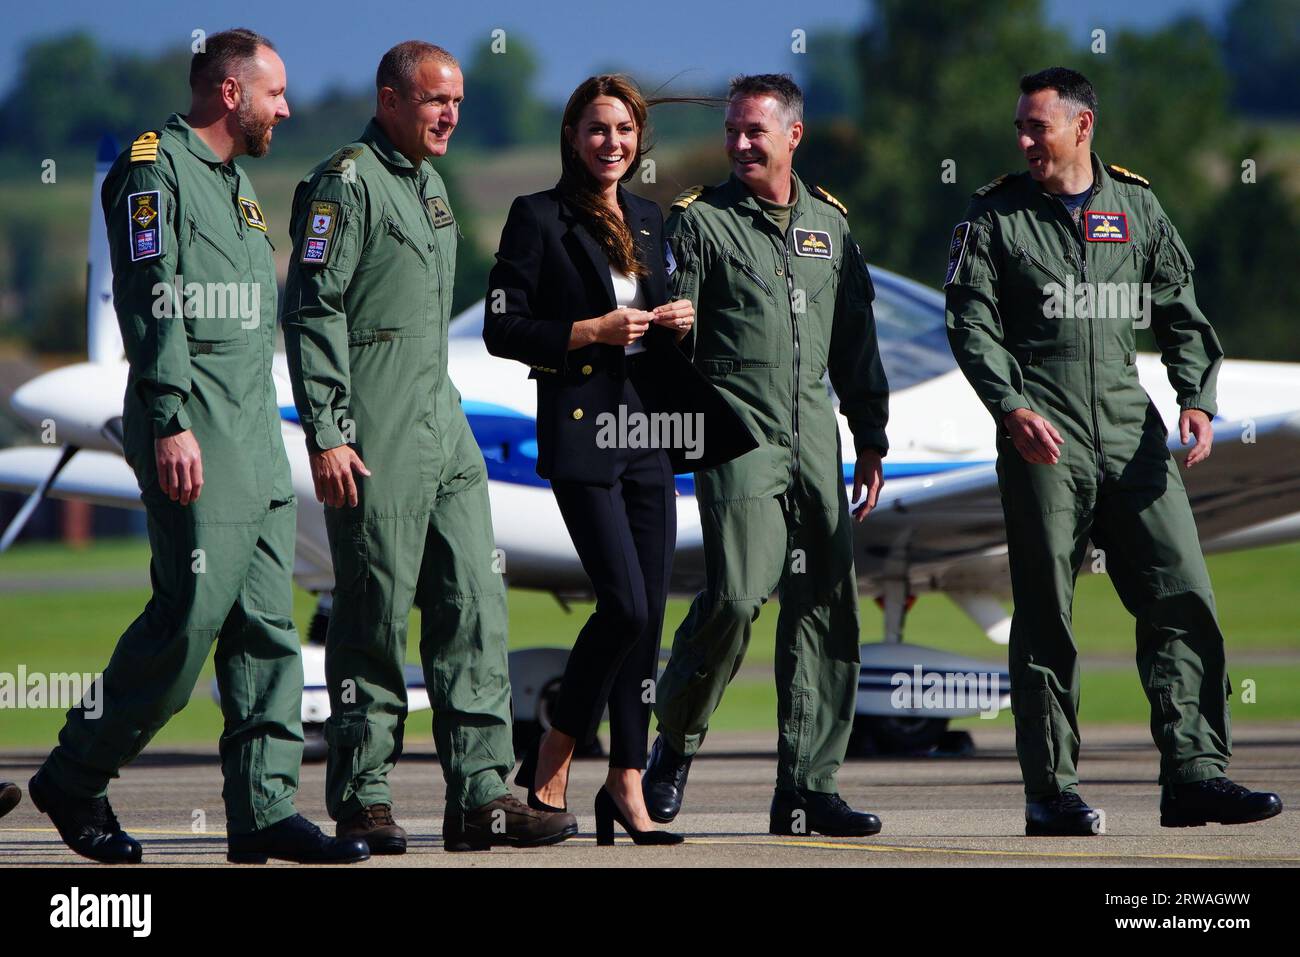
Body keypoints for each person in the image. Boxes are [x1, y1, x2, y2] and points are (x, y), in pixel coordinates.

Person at [28, 29, 368, 865]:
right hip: (193, 428)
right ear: (230, 93)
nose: (286, 108)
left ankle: (263, 812)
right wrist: (170, 416)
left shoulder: (237, 187)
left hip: (254, 433)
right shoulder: (154, 169)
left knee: (267, 632)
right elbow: (149, 304)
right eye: (276, 93)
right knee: (187, 621)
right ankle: (75, 774)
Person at [944, 66, 1283, 835]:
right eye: (1021, 128)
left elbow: (1182, 312)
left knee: (1183, 593)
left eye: (1040, 127)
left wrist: (1196, 399)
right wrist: (1013, 406)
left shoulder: (1136, 204)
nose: (1026, 140)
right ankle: (1051, 790)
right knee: (1045, 614)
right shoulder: (994, 215)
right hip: (1044, 433)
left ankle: (1196, 773)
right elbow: (970, 324)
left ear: (1082, 127)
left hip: (1133, 434)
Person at [282, 40, 577, 853]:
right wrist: (330, 432)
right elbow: (312, 312)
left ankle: (481, 792)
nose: (450, 114)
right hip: (374, 426)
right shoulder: (345, 185)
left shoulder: (432, 185)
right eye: (434, 100)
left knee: (474, 607)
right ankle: (363, 796)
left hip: (443, 422)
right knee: (375, 612)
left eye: (457, 102)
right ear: (389, 99)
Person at [484, 75, 754, 845]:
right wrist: (589, 331)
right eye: (598, 130)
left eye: (625, 131)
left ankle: (627, 783)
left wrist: (678, 319)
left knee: (648, 620)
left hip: (650, 429)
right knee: (623, 604)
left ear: (640, 141)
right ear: (573, 135)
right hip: (581, 430)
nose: (613, 144)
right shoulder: (535, 216)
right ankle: (555, 750)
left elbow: (659, 330)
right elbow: (507, 326)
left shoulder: (648, 216)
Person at [642, 74, 891, 836]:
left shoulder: (831, 228)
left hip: (814, 431)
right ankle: (674, 746)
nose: (741, 143)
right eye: (733, 131)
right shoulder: (700, 224)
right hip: (735, 428)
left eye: (756, 130)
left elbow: (855, 342)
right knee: (737, 595)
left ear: (793, 136)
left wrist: (870, 434)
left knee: (826, 604)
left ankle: (807, 786)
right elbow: (663, 335)